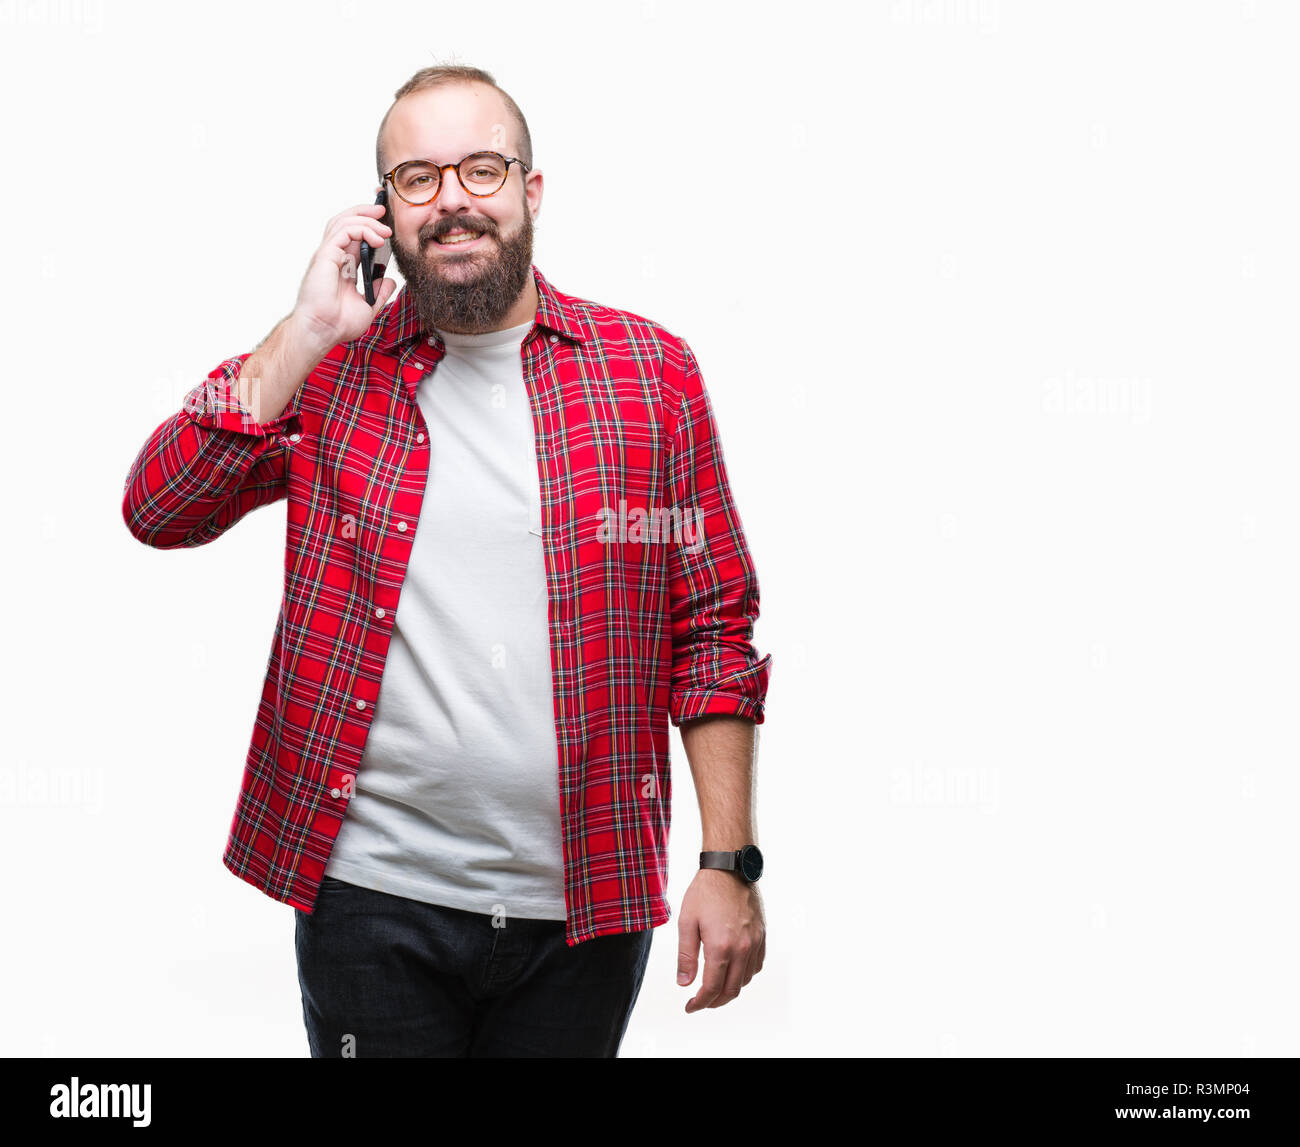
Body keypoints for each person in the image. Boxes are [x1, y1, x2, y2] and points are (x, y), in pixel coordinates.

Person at [122, 64, 772, 1058]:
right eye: (417, 178)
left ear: (531, 191)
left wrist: (728, 859)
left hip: (582, 904)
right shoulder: (333, 375)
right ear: (383, 210)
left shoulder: (650, 375)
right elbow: (160, 507)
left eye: (480, 168)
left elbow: (713, 628)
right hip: (371, 896)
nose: (453, 199)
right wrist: (302, 333)